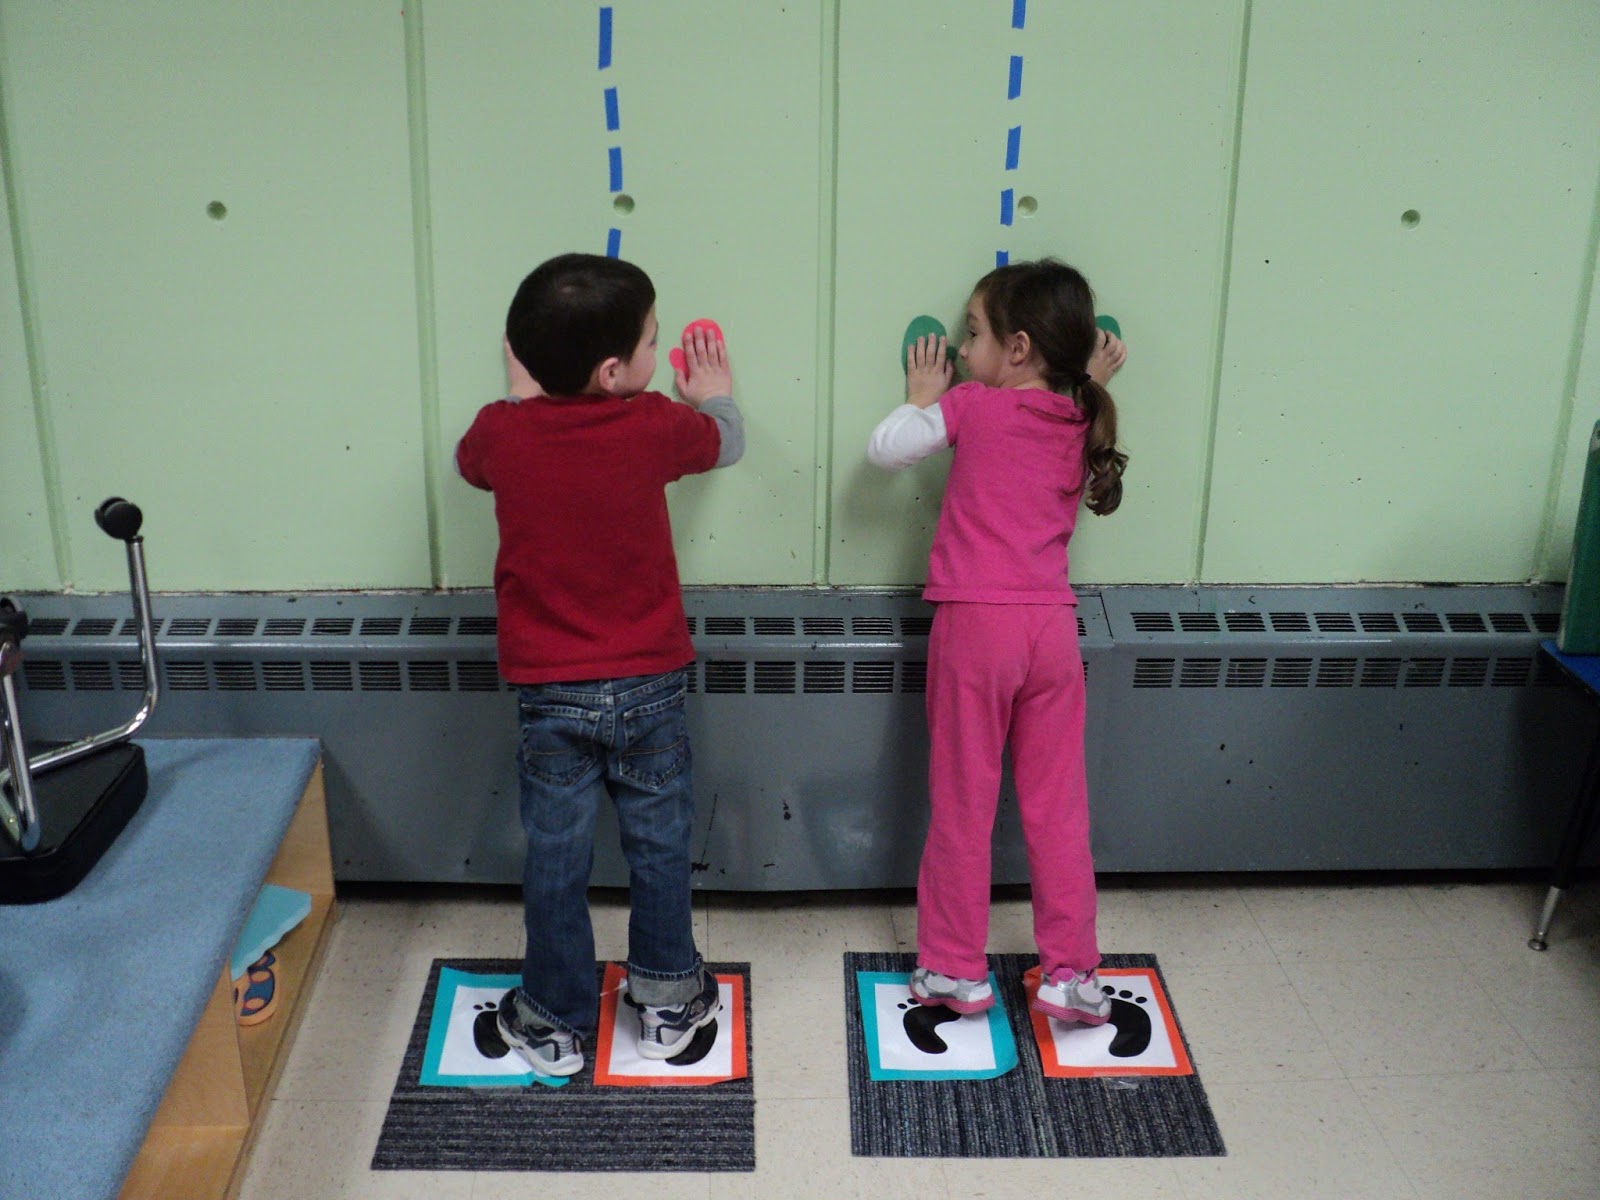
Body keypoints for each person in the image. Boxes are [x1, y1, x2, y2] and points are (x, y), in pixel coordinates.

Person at [456, 252, 745, 1076]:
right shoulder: (651, 421)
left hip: (550, 693)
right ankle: (666, 999)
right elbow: (726, 444)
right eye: (653, 342)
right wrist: (714, 392)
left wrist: (525, 397)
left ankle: (551, 1016)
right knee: (659, 843)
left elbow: (467, 463)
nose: (661, 355)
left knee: (556, 856)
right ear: (616, 371)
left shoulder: (502, 431)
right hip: (650, 682)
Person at [866, 258, 1127, 1024]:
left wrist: (923, 398)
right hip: (1051, 630)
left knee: (963, 805)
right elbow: (1083, 385)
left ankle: (954, 970)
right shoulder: (1083, 413)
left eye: (972, 334)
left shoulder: (973, 406)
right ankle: (1072, 973)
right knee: (1058, 809)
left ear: (1017, 349)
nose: (961, 347)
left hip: (976, 628)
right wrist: (1094, 368)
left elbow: (886, 449)